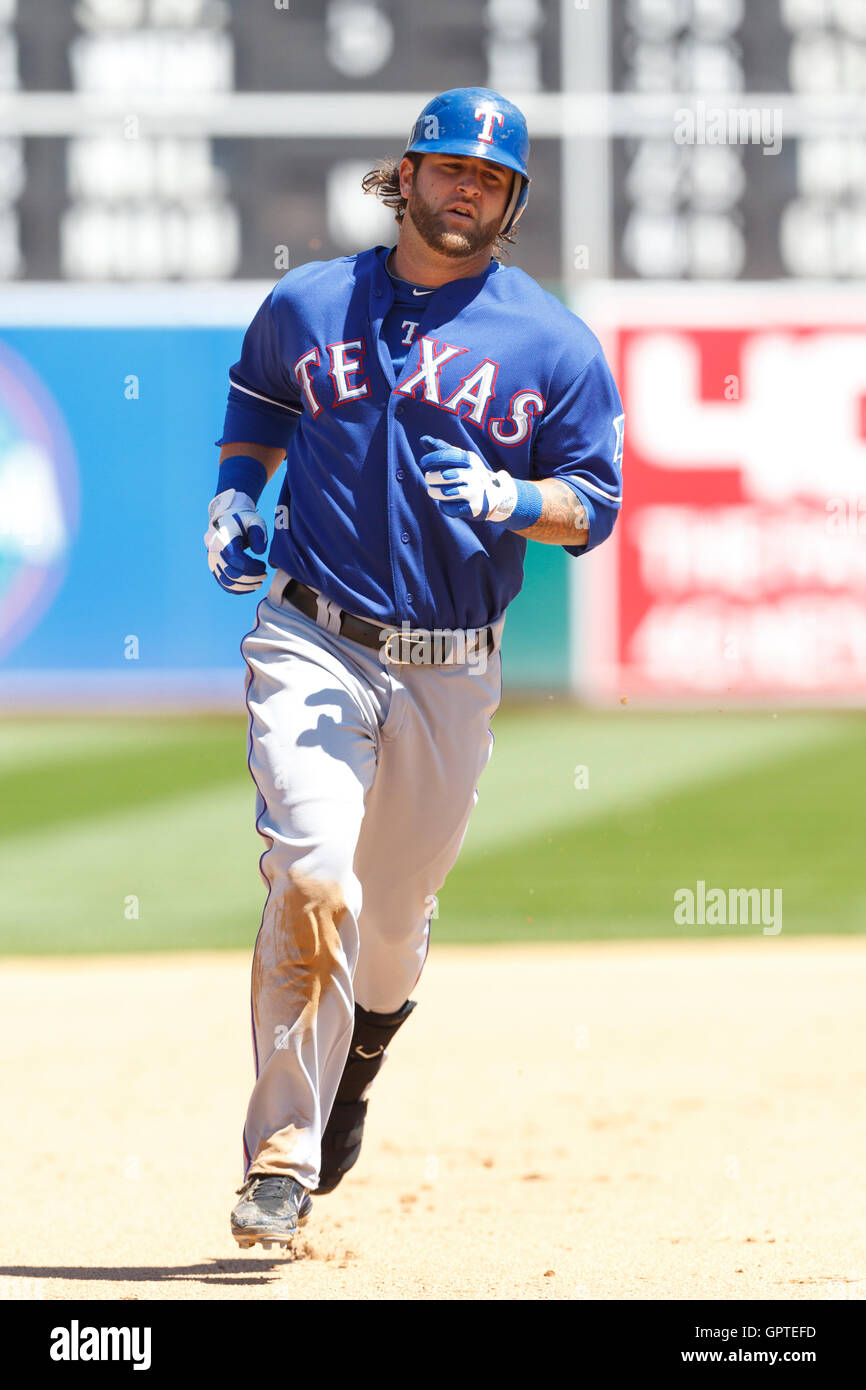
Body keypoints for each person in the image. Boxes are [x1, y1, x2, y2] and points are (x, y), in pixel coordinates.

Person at [203, 87, 625, 1250]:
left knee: (387, 921)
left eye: (488, 179)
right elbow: (259, 397)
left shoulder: (550, 343)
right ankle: (281, 1152)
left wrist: (514, 499)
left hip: (450, 666)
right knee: (314, 872)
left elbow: (592, 503)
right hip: (312, 633)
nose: (464, 190)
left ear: (511, 200)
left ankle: (358, 1068)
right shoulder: (310, 301)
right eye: (447, 169)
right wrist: (240, 490)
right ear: (405, 174)